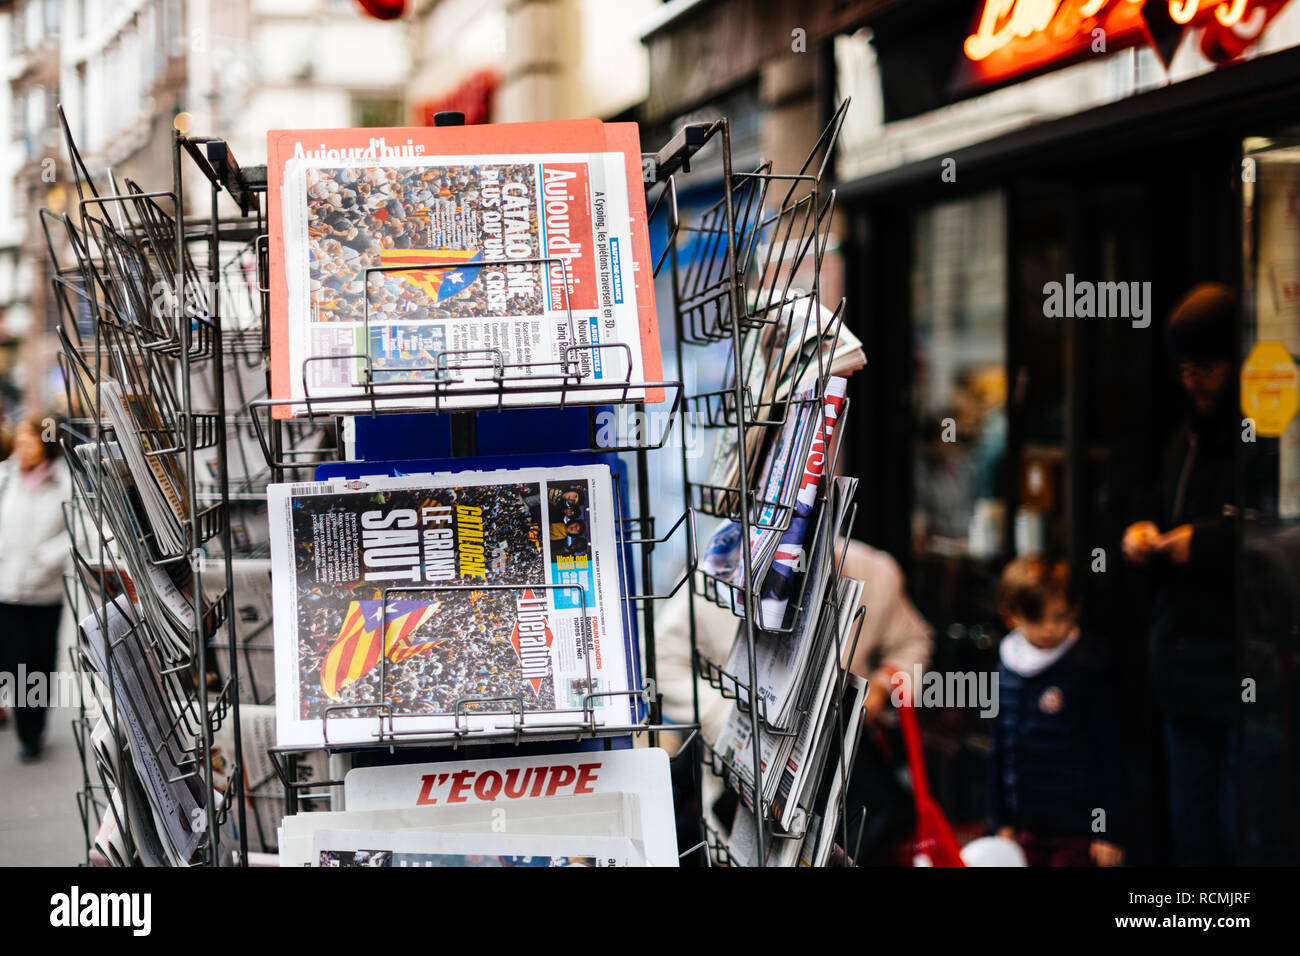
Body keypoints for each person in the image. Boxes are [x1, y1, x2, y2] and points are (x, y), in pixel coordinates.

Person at [1120, 283, 1241, 866]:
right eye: (1185, 367)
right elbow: (1150, 501)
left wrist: (1210, 543)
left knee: (1236, 826)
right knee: (1192, 827)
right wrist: (1141, 533)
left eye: (1208, 365)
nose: (1194, 379)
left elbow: (1279, 526)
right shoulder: (1183, 433)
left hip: (1249, 666)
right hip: (1180, 664)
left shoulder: (1262, 432)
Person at [988, 555, 1126, 867]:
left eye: (1060, 616)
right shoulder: (1004, 668)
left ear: (1075, 610)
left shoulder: (1088, 665)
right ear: (1011, 616)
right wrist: (1000, 822)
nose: (1050, 628)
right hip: (1024, 828)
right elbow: (998, 749)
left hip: (1077, 831)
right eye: (1037, 618)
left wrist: (1109, 831)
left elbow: (1109, 752)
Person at [0, 412, 71, 762]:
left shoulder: (64, 484)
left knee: (39, 665)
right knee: (13, 666)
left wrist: (44, 560)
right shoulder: (3, 478)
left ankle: (33, 732)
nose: (22, 446)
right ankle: (23, 725)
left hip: (44, 594)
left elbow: (77, 532)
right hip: (5, 590)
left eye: (29, 440)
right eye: (20, 440)